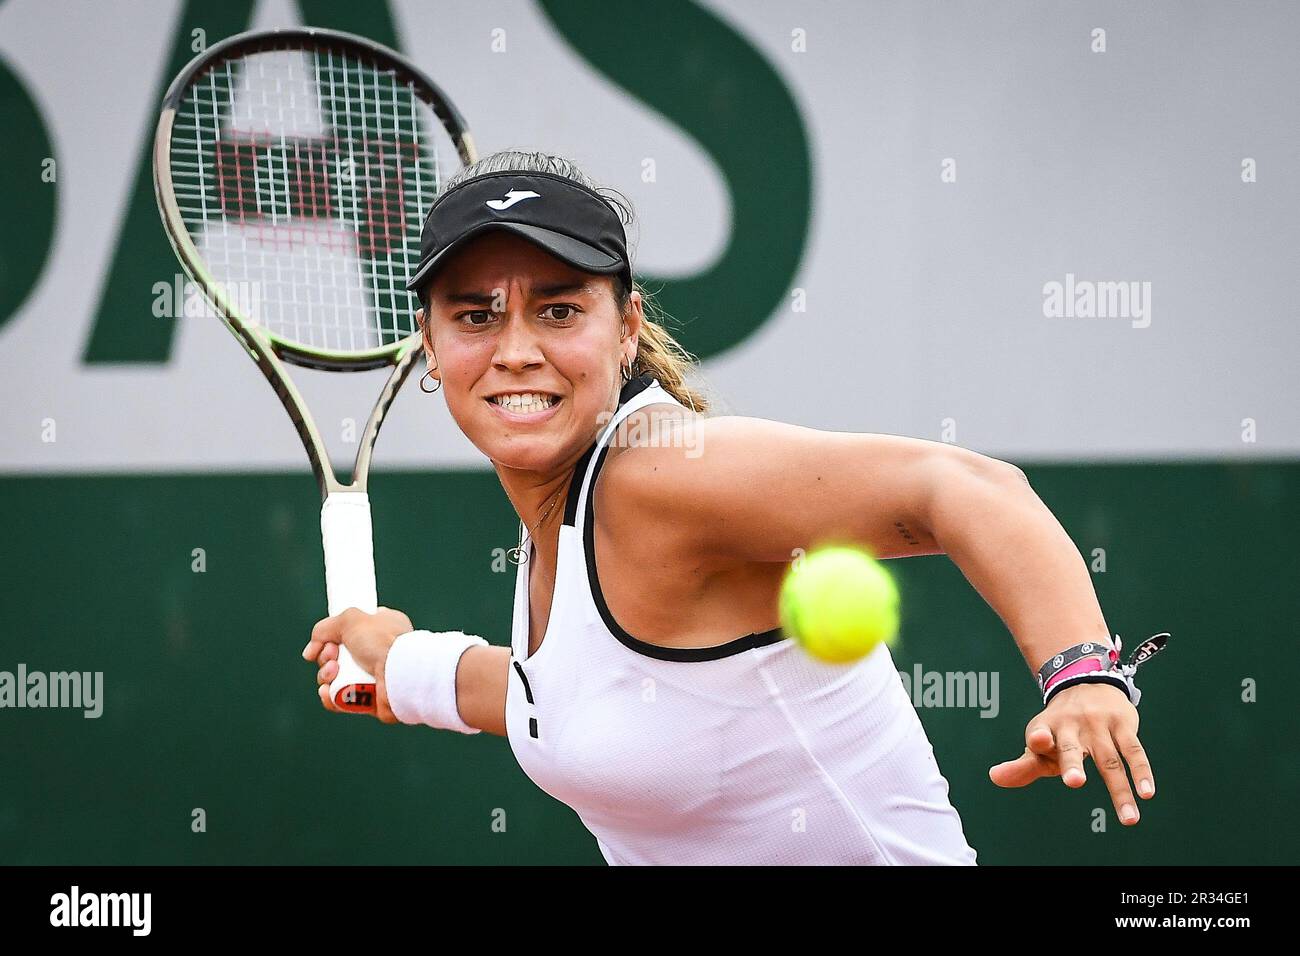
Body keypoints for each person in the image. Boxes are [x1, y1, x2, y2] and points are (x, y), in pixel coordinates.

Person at [302, 150, 1156, 865]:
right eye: (476, 315)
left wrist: (1080, 673)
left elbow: (966, 489)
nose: (517, 350)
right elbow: (563, 701)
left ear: (627, 328)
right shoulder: (562, 515)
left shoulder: (654, 477)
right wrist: (404, 668)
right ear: (432, 345)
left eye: (559, 310)